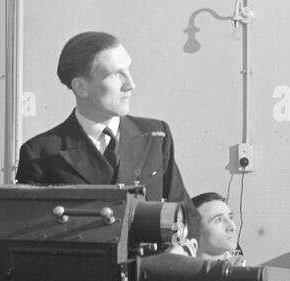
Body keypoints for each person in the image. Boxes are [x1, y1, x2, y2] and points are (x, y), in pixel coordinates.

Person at [16, 31, 188, 205]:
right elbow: (30, 220)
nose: (130, 84)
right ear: (81, 87)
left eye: (128, 70)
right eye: (116, 74)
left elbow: (184, 213)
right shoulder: (40, 153)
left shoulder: (155, 136)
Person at [168, 193, 271, 281]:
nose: (232, 226)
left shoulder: (248, 275)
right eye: (218, 220)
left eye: (231, 217)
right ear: (192, 231)